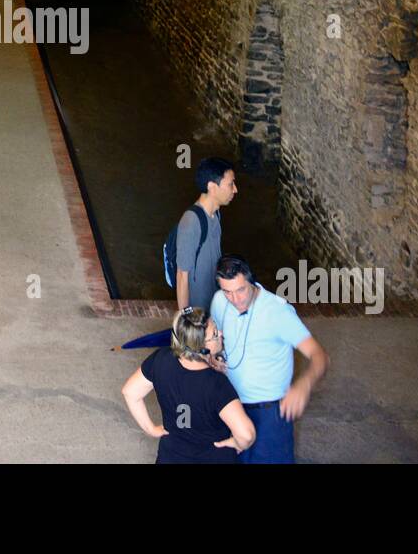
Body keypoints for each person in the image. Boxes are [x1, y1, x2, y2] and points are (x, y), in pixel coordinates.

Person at [209, 253, 328, 464]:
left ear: (251, 281)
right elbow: (215, 339)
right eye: (228, 291)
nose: (236, 299)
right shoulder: (219, 301)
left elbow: (319, 356)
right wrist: (214, 356)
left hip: (270, 413)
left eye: (241, 290)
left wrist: (304, 384)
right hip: (230, 405)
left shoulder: (278, 312)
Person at [121, 307, 255, 464]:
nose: (221, 334)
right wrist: (236, 443)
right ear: (201, 347)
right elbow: (246, 435)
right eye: (214, 334)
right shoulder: (216, 385)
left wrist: (150, 429)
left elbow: (130, 392)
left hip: (171, 456)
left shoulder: (161, 359)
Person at [174, 157, 237, 313]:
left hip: (214, 303)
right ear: (212, 187)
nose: (235, 189)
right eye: (230, 184)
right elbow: (182, 275)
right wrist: (186, 318)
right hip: (198, 311)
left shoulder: (216, 214)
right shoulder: (190, 222)